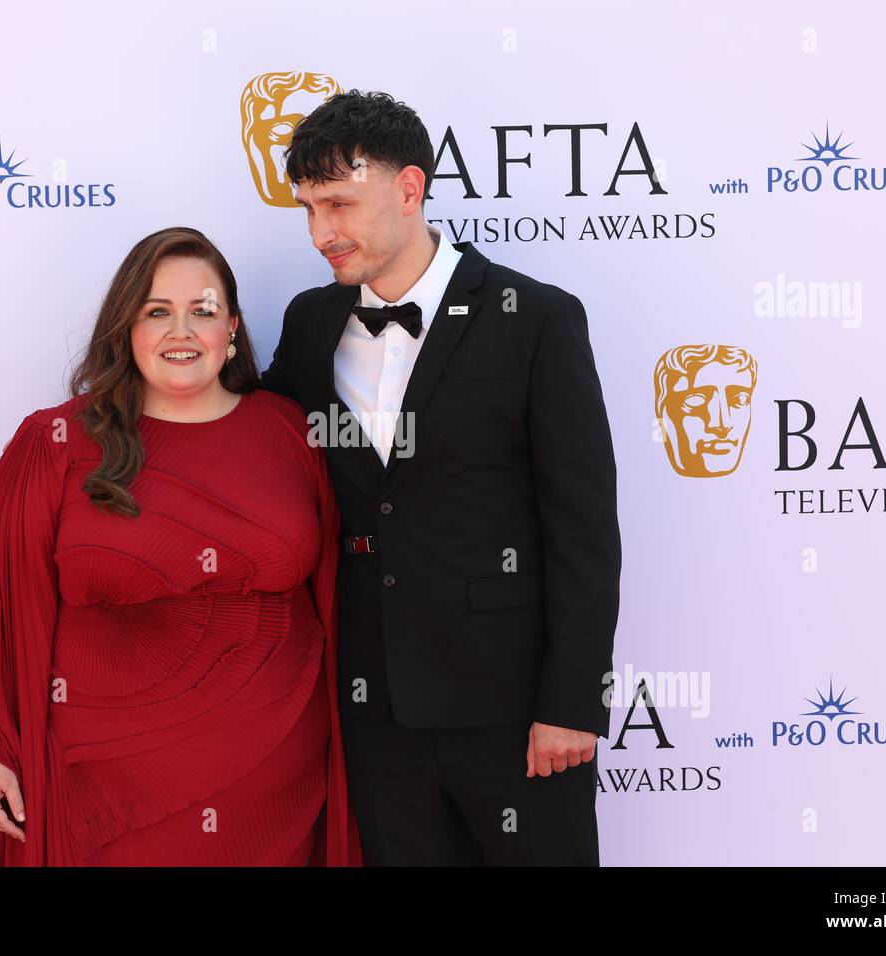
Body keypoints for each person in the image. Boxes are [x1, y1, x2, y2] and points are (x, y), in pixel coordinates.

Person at [261, 91, 621, 865]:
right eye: (308, 209)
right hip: (374, 712)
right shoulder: (309, 321)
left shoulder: (537, 319)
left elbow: (584, 531)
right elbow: (254, 446)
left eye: (339, 203)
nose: (321, 232)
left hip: (517, 713)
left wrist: (571, 704)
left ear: (409, 188)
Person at [0, 226, 362, 866]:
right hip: (104, 785)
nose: (181, 332)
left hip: (275, 786)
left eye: (203, 312)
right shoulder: (55, 442)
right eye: (157, 313)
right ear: (126, 330)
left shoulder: (292, 432)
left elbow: (342, 597)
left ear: (231, 330)